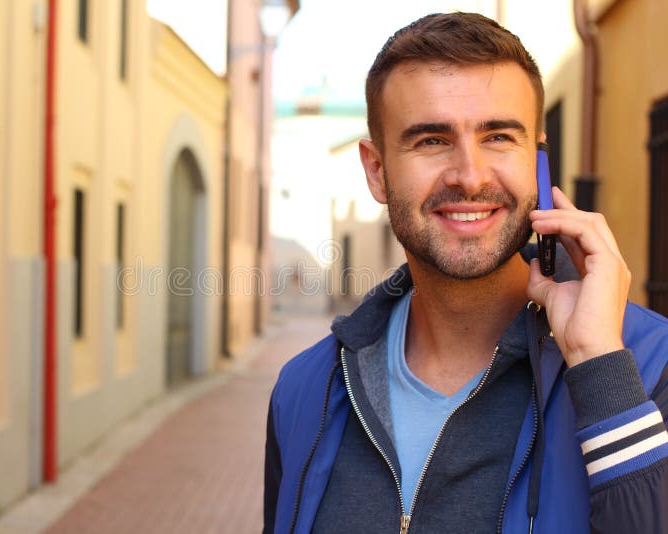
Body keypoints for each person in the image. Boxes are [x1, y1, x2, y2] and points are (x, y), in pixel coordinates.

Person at [263, 12, 668, 534]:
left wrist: (598, 365)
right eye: (431, 140)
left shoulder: (651, 368)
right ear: (377, 170)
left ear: (539, 162)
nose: (470, 176)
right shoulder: (303, 391)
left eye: (498, 137)